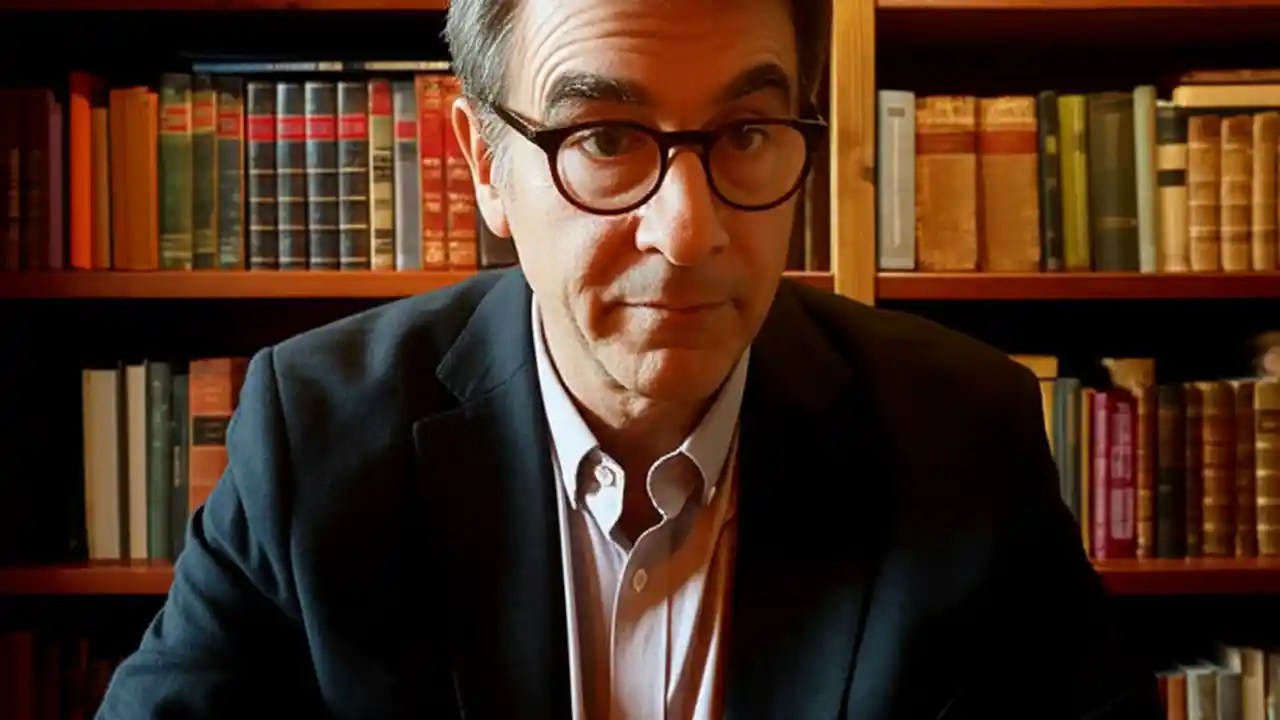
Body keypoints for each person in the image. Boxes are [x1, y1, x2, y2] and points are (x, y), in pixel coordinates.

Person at [97, 0, 1163, 717]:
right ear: (482, 165)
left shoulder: (958, 430)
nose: (686, 230)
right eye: (603, 139)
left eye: (744, 133)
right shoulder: (318, 432)